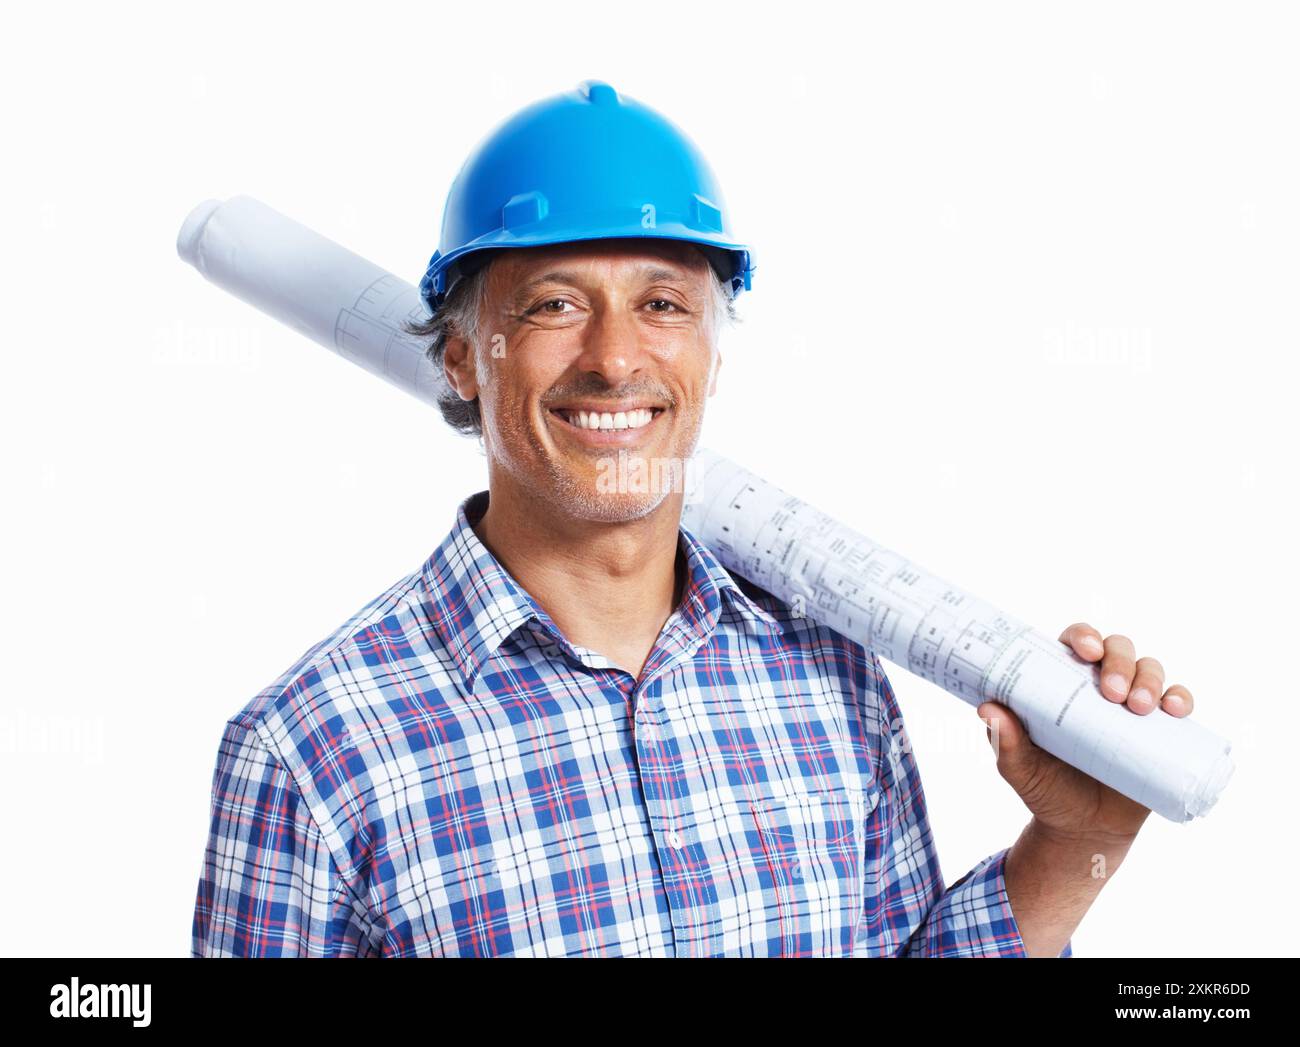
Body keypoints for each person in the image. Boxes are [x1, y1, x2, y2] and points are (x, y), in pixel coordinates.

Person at [191, 81, 1197, 957]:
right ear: (458, 356)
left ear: (713, 352)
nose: (616, 357)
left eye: (664, 304)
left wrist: (1073, 844)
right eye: (551, 304)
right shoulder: (309, 750)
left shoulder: (828, 670)